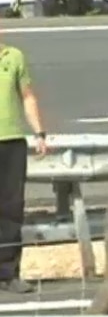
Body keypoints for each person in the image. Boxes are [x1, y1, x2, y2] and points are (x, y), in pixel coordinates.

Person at [0, 43, 48, 294]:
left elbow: (27, 96)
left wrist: (39, 132)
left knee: (10, 209)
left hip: (11, 142)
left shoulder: (14, 56)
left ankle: (8, 272)